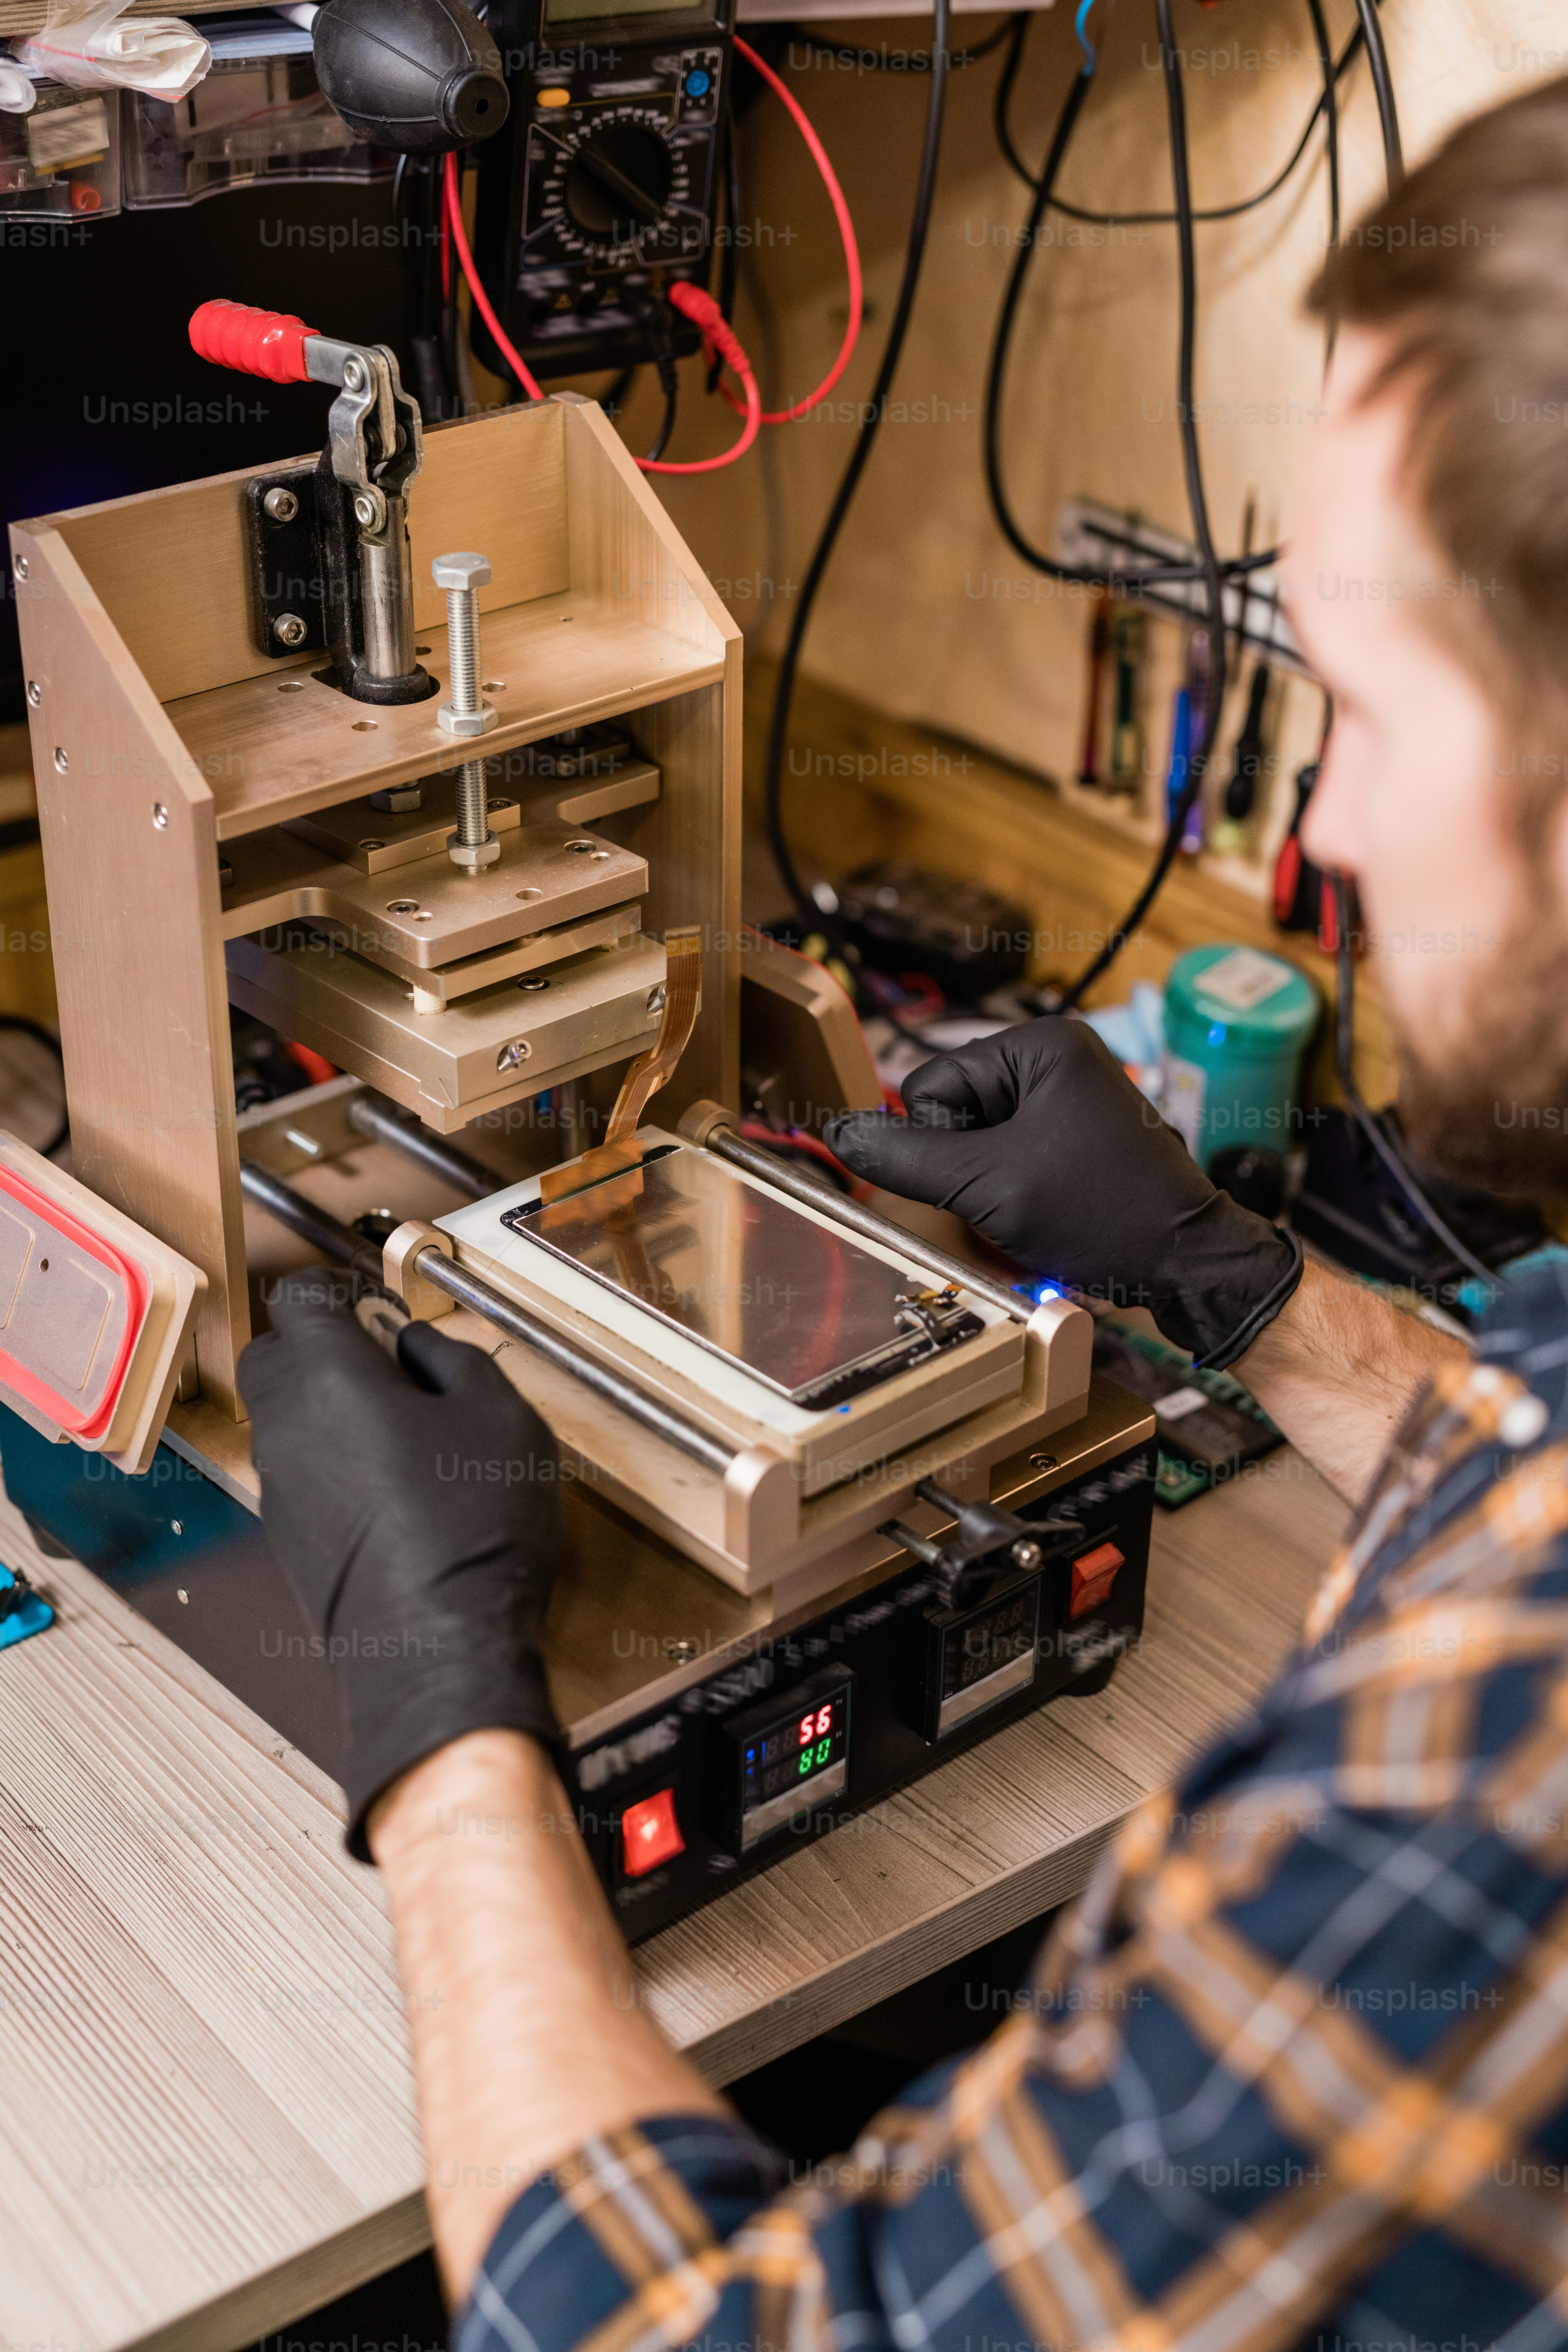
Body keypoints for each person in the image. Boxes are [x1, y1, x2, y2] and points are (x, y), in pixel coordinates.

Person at [241, 78, 1568, 2352]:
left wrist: (446, 1727)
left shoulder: (1483, 1797)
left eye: (1363, 707)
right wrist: (1246, 1298)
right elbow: (1522, 1462)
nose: (1325, 819)